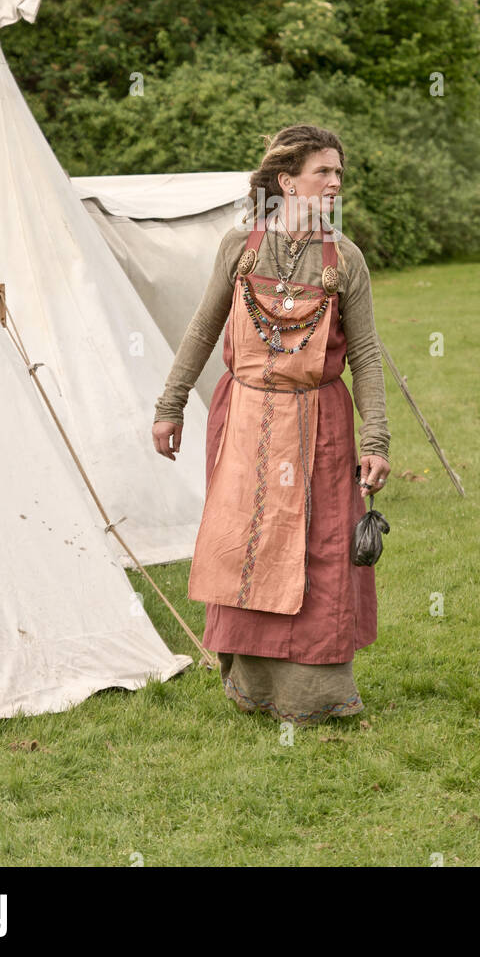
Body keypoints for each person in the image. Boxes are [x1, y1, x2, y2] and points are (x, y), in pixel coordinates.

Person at [152, 124, 391, 724]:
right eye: (324, 172)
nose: (336, 182)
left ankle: (314, 696)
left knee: (322, 550)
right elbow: (203, 328)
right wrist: (170, 403)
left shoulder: (347, 260)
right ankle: (251, 686)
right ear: (288, 181)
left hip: (321, 424)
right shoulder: (240, 247)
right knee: (245, 545)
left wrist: (377, 440)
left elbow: (365, 355)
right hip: (244, 418)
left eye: (339, 173)